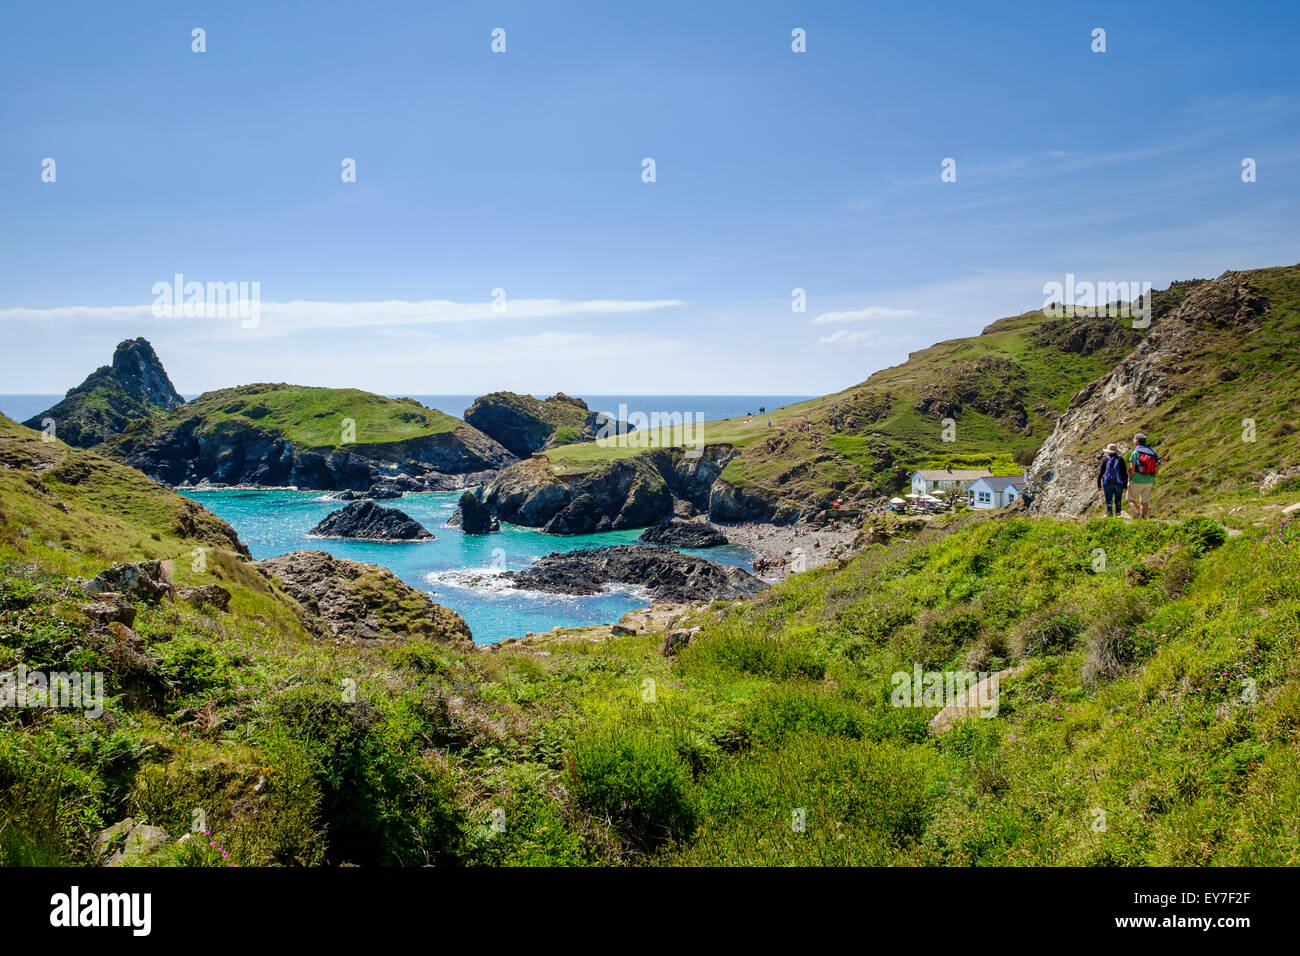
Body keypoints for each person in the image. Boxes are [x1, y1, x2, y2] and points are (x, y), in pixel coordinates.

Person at [1127, 432, 1160, 519]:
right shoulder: (1152, 453)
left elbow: (1132, 468)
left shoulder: (1135, 452)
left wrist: (1130, 479)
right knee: (1144, 501)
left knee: (1131, 499)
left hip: (1137, 479)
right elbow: (1157, 467)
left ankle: (1137, 515)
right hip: (1149, 480)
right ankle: (1143, 518)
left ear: (1137, 441)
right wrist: (1153, 478)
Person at [1096, 442, 1128, 517]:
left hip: (1107, 483)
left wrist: (1099, 485)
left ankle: (1109, 516)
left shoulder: (1105, 459)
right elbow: (1124, 474)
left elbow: (1100, 473)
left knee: (1108, 501)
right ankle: (1118, 515)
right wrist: (1125, 486)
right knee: (1118, 501)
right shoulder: (1121, 460)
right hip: (1119, 483)